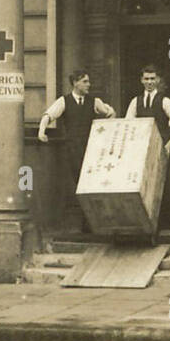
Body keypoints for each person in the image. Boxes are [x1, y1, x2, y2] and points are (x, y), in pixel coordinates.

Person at [38, 69, 117, 232]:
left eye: (88, 81)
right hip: (73, 149)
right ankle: (81, 224)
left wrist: (104, 130)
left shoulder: (94, 101)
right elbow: (48, 115)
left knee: (92, 183)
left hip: (92, 149)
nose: (89, 85)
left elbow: (111, 113)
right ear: (75, 83)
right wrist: (41, 131)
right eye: (85, 81)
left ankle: (92, 224)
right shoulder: (64, 101)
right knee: (78, 184)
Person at [125, 64, 170, 230]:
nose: (149, 82)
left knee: (165, 185)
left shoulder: (165, 101)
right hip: (141, 153)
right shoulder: (135, 102)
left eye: (153, 79)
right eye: (146, 79)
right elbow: (128, 125)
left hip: (161, 150)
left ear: (158, 80)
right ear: (141, 80)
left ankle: (167, 225)